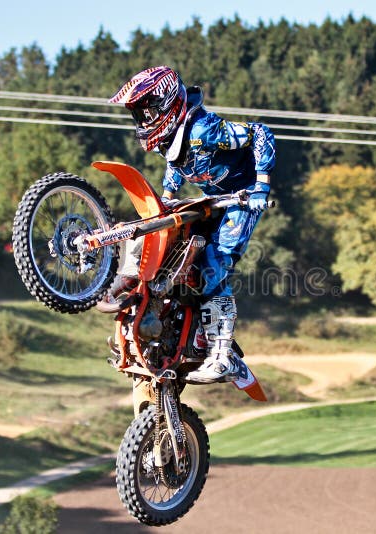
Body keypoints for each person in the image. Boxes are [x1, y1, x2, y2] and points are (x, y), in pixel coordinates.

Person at [104, 65, 276, 383]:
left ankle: (222, 355)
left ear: (166, 103)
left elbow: (261, 134)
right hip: (211, 197)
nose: (143, 122)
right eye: (138, 116)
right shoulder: (172, 137)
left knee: (215, 262)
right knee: (168, 240)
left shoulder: (205, 131)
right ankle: (140, 294)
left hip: (243, 197)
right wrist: (167, 198)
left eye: (146, 113)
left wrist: (262, 186)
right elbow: (176, 163)